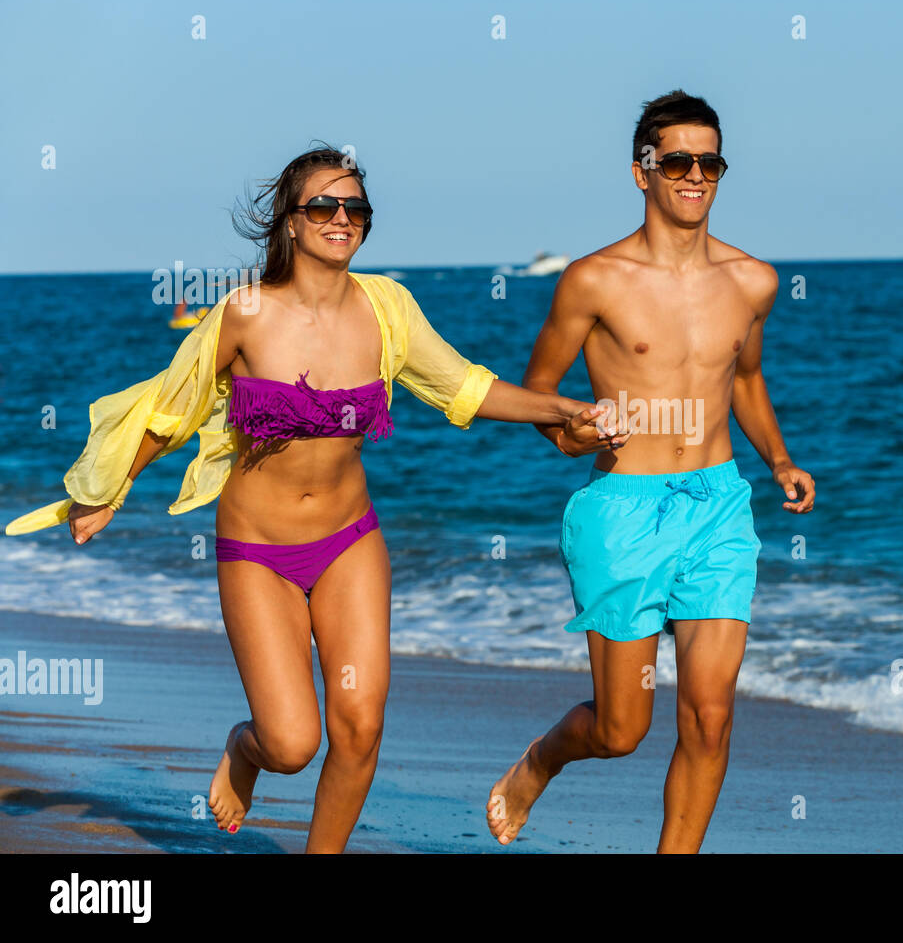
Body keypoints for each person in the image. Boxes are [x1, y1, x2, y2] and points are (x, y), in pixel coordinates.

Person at [5, 146, 624, 853]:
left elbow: (465, 387)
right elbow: (171, 410)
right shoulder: (244, 313)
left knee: (359, 726)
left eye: (355, 207)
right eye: (323, 206)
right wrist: (108, 491)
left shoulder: (387, 307)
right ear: (291, 223)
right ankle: (244, 748)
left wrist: (561, 408)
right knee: (292, 743)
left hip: (349, 542)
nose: (341, 218)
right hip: (258, 552)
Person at [486, 91, 815, 853]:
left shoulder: (752, 281)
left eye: (710, 161)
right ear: (643, 172)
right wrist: (575, 429)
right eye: (677, 161)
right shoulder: (594, 280)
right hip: (624, 511)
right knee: (621, 728)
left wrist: (779, 459)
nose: (695, 174)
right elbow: (540, 398)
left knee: (710, 714)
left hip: (719, 506)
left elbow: (746, 380)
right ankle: (539, 762)